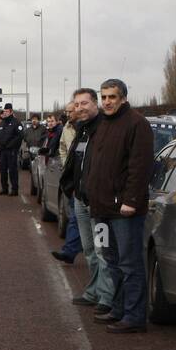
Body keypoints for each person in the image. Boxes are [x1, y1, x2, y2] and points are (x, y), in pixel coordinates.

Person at [83, 79, 153, 333]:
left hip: (124, 212)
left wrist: (131, 201)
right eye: (104, 97)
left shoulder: (137, 124)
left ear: (123, 98)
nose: (107, 102)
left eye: (112, 97)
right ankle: (120, 308)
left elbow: (140, 167)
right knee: (111, 260)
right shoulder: (103, 124)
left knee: (129, 263)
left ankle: (135, 316)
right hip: (101, 210)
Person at [60, 89, 114, 310]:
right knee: (90, 249)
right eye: (77, 104)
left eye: (85, 103)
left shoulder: (105, 129)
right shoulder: (81, 130)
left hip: (99, 204)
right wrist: (72, 188)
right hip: (81, 201)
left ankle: (107, 296)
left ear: (95, 104)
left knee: (104, 251)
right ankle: (93, 291)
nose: (80, 108)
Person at [52, 101, 81, 263]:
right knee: (74, 217)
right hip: (73, 178)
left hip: (91, 180)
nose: (68, 114)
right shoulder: (67, 128)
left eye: (70, 111)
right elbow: (62, 147)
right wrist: (66, 163)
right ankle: (69, 251)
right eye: (67, 111)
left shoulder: (90, 127)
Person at [0, 104, 23, 195]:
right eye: (4, 111)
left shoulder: (16, 122)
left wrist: (11, 145)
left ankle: (14, 189)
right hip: (2, 151)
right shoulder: (2, 123)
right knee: (3, 170)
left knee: (12, 170)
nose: (5, 113)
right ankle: (4, 188)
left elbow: (20, 136)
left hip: (12, 151)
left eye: (7, 111)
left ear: (11, 112)